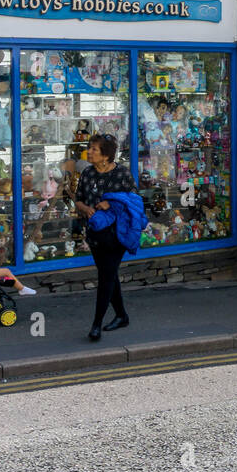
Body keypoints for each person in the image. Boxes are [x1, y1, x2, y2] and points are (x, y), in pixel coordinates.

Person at [74, 133, 137, 338]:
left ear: (106, 155)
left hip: (117, 234)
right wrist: (85, 208)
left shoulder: (122, 174)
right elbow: (78, 199)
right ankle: (122, 316)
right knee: (109, 275)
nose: (89, 152)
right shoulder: (87, 173)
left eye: (94, 149)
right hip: (95, 233)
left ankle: (96, 325)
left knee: (105, 277)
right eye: (89, 148)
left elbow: (134, 200)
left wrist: (110, 203)